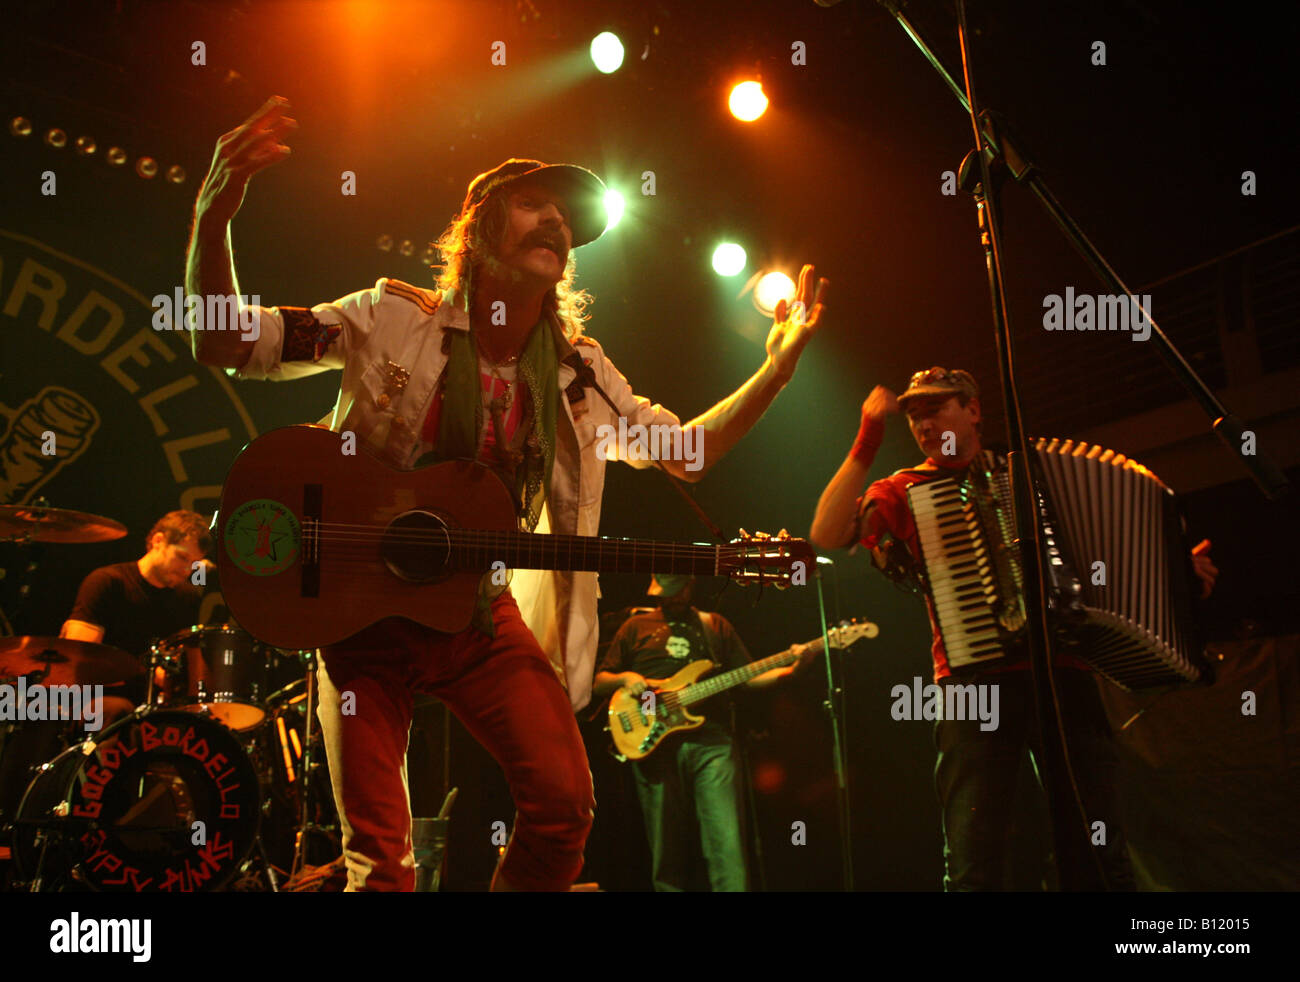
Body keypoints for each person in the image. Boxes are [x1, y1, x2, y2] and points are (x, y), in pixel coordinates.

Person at [185, 96, 828, 891]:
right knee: (380, 867)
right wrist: (214, 216)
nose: (556, 223)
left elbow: (685, 454)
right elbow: (224, 339)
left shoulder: (579, 372)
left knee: (566, 809)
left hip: (477, 617)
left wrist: (778, 369)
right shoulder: (389, 318)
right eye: (534, 204)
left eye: (566, 218)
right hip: (356, 619)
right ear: (478, 224)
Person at [809, 367, 1218, 891]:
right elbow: (825, 532)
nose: (924, 424)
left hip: (1060, 670)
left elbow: (1109, 541)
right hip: (970, 684)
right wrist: (867, 442)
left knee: (1097, 844)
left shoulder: (1034, 473)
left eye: (936, 409)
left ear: (973, 409)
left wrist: (1179, 569)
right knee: (976, 848)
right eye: (914, 415)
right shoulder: (906, 489)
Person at [592, 574, 814, 891]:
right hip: (653, 741)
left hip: (712, 742)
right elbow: (600, 682)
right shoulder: (634, 626)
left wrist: (794, 669)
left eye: (676, 590)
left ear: (690, 585)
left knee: (726, 840)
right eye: (663, 593)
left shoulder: (714, 625)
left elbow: (747, 678)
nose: (669, 599)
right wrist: (627, 678)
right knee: (665, 847)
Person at [60, 509, 210, 723]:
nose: (187, 570)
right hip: (99, 699)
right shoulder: (107, 582)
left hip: (153, 703)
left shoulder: (187, 598)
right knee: (117, 710)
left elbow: (195, 661)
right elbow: (78, 663)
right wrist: (145, 672)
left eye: (194, 563)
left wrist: (197, 703)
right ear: (159, 541)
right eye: (182, 557)